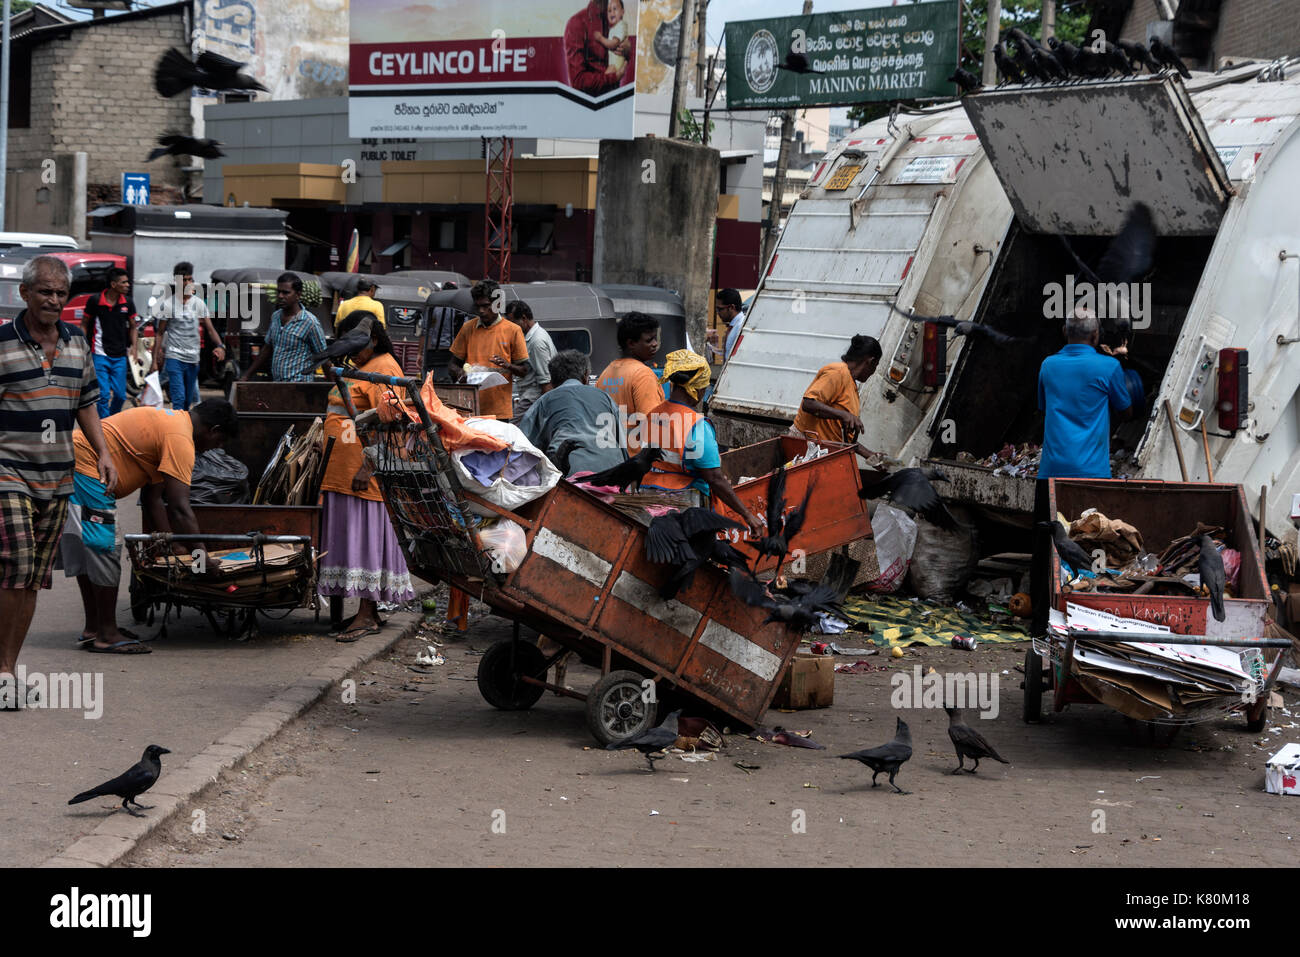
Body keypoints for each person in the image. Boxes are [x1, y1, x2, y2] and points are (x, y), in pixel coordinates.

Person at [0, 256, 116, 706]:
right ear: (24, 293)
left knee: (31, 579)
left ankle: (8, 669)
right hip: (9, 471)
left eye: (60, 293)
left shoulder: (76, 341)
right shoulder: (4, 342)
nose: (52, 300)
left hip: (57, 476)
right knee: (16, 564)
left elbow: (87, 401)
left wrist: (103, 452)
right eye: (44, 291)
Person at [63, 400, 237, 654]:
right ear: (213, 429)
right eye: (220, 441)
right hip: (86, 467)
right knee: (105, 547)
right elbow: (179, 508)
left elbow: (153, 498)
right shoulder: (180, 438)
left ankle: (95, 628)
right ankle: (107, 634)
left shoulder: (172, 423)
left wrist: (172, 543)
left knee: (93, 550)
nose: (216, 448)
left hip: (79, 463)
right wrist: (201, 560)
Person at [1030, 307, 1134, 637]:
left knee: (1044, 548)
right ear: (1095, 336)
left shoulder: (1048, 365)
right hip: (1092, 474)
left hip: (1051, 473)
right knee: (1094, 546)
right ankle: (1089, 616)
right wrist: (1117, 362)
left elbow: (1044, 407)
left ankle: (1040, 623)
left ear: (1064, 332)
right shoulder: (1110, 367)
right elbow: (1127, 409)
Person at [317, 311, 415, 642]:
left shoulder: (384, 367)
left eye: (355, 345)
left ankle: (367, 613)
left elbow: (392, 426)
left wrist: (366, 467)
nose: (350, 352)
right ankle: (358, 613)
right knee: (349, 542)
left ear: (372, 340)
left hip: (362, 474)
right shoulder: (360, 368)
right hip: (341, 473)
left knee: (365, 542)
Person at [638, 350, 763, 532]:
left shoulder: (652, 415)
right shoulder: (695, 425)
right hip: (684, 508)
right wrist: (747, 515)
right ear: (697, 390)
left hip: (648, 504)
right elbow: (714, 478)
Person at [518, 350, 625, 477]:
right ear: (586, 376)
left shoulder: (543, 402)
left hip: (568, 474)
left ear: (552, 381)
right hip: (613, 469)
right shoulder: (605, 398)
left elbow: (524, 447)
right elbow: (622, 441)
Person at [448, 280, 529, 421]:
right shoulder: (467, 328)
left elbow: (524, 370)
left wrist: (507, 365)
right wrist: (459, 373)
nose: (481, 311)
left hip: (499, 412)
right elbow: (452, 365)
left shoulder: (513, 330)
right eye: (478, 306)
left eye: (486, 306)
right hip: (470, 408)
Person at [151, 261, 226, 411]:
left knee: (187, 401)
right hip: (174, 358)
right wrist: (154, 361)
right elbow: (159, 333)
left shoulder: (199, 304)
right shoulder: (168, 305)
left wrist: (220, 346)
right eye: (183, 280)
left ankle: (184, 430)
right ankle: (176, 431)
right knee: (178, 399)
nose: (187, 283)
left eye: (190, 279)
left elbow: (210, 329)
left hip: (193, 360)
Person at [791, 334, 882, 443]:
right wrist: (843, 414)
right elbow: (808, 403)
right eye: (876, 366)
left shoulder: (851, 384)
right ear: (870, 361)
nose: (873, 372)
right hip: (804, 444)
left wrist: (871, 455)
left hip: (824, 448)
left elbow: (840, 436)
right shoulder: (838, 372)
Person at [239, 273, 328, 383]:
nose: (280, 296)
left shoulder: (310, 322)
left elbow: (324, 356)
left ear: (298, 295)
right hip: (278, 384)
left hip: (300, 386)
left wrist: (334, 387)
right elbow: (267, 348)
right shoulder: (276, 317)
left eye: (286, 293)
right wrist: (247, 375)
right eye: (279, 292)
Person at [596, 312, 663, 455]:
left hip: (611, 458)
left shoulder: (605, 373)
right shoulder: (642, 374)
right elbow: (652, 424)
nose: (655, 344)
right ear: (631, 343)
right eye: (649, 340)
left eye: (655, 338)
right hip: (635, 462)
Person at [82, 266, 139, 419]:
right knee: (103, 395)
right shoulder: (95, 301)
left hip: (120, 355)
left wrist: (134, 347)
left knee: (120, 396)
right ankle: (104, 427)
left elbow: (133, 327)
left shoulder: (128, 303)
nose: (128, 285)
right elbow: (84, 323)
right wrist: (82, 346)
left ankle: (111, 421)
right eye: (124, 282)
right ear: (113, 285)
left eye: (128, 282)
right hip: (99, 353)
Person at [564, 0, 629, 94]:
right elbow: (578, 82)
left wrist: (628, 49)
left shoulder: (613, 19)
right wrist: (611, 78)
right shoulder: (576, 23)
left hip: (615, 100)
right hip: (590, 104)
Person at [506, 300, 556, 419]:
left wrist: (545, 413)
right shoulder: (529, 337)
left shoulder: (537, 342)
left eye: (513, 324)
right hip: (529, 395)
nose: (511, 329)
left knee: (514, 428)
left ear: (523, 318)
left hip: (534, 397)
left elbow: (546, 381)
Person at [717, 289, 747, 364]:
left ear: (731, 308)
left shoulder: (741, 326)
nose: (718, 313)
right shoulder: (735, 325)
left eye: (720, 309)